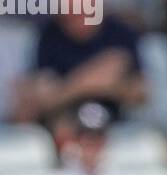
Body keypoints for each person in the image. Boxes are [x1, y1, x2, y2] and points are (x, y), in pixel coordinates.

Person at [13, 10, 146, 130]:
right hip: (65, 128)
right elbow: (35, 101)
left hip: (114, 126)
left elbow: (141, 93)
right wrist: (89, 80)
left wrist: (63, 90)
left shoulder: (119, 32)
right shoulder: (49, 34)